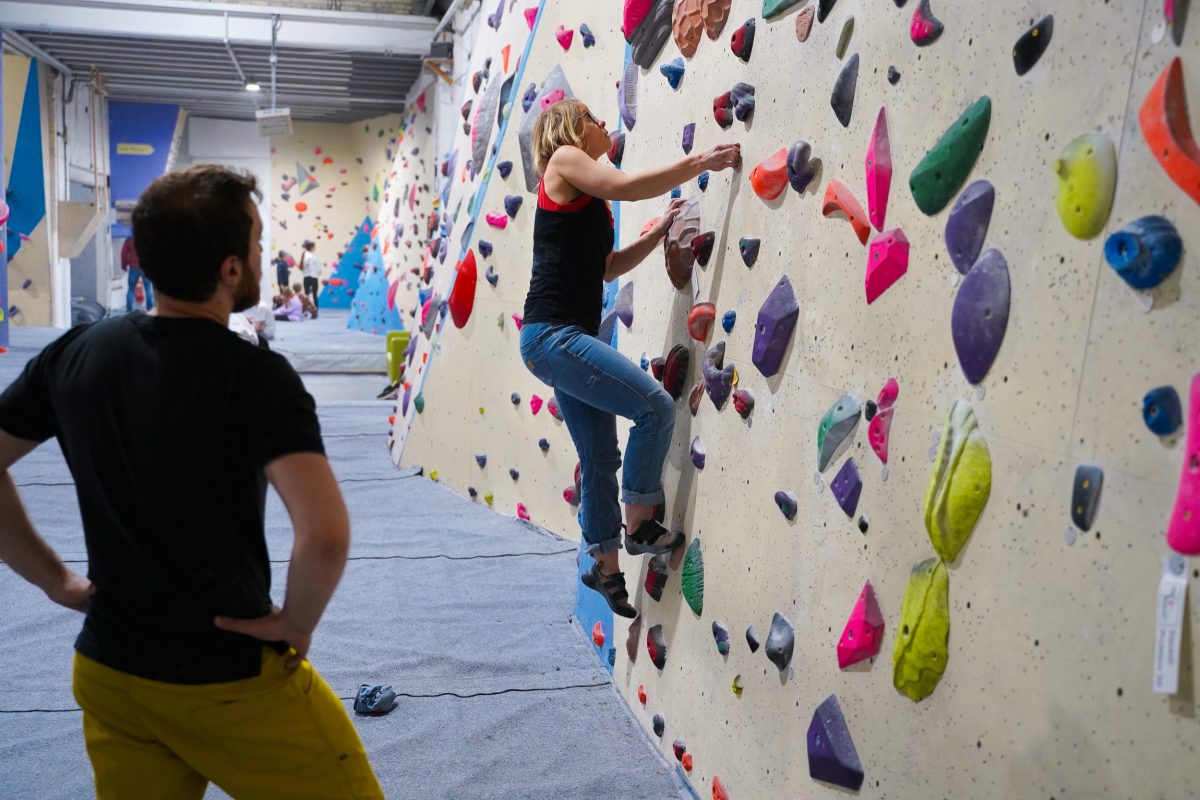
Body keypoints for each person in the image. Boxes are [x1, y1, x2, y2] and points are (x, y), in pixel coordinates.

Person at [0, 164, 383, 799]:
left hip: (109, 673)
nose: (261, 253)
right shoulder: (256, 377)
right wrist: (296, 623)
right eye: (256, 241)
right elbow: (325, 535)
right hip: (227, 682)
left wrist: (55, 581)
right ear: (230, 269)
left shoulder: (73, 354)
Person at [518, 99, 740, 618]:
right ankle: (639, 521)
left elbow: (607, 268)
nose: (604, 125)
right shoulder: (564, 160)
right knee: (654, 406)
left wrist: (658, 234)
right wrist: (699, 162)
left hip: (559, 337)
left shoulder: (588, 199)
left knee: (599, 456)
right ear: (571, 129)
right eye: (593, 118)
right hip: (553, 334)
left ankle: (606, 568)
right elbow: (630, 186)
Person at [121, 235, 155, 312]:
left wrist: (124, 265)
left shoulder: (130, 240)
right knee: (148, 289)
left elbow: (123, 252)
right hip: (146, 267)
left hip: (134, 267)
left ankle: (129, 310)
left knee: (131, 289)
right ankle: (150, 309)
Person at [299, 240, 323, 311]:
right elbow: (319, 269)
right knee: (314, 294)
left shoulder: (304, 256)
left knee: (306, 294)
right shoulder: (314, 257)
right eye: (314, 246)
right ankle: (316, 308)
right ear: (312, 247)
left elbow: (302, 268)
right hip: (313, 277)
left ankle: (306, 308)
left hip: (306, 278)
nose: (315, 247)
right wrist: (317, 273)